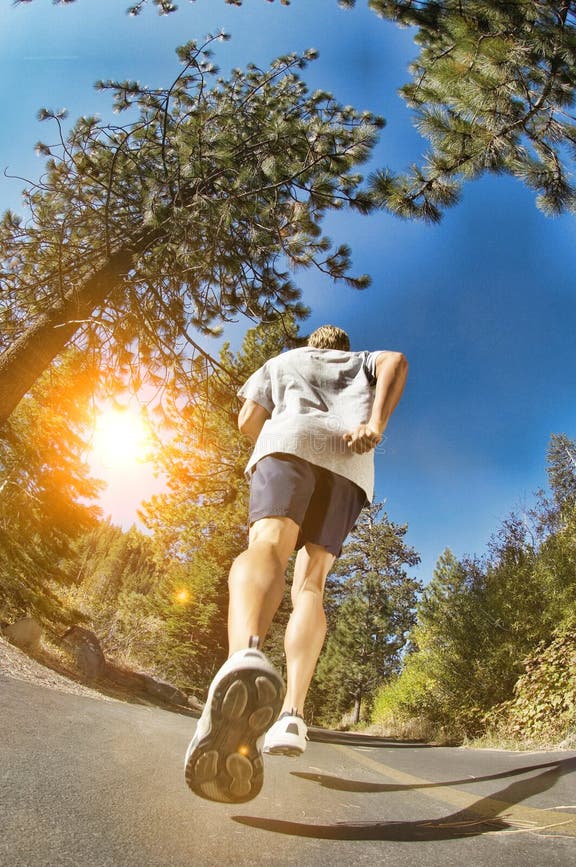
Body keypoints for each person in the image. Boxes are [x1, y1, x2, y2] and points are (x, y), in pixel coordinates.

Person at [184, 325, 408, 803]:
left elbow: (249, 419)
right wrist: (375, 426)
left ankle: (243, 657)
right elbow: (396, 361)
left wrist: (284, 419)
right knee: (312, 585)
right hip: (349, 461)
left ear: (313, 344)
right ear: (342, 349)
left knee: (268, 545)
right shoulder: (361, 361)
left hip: (290, 443)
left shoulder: (283, 362)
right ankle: (291, 715)